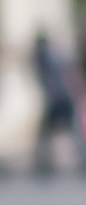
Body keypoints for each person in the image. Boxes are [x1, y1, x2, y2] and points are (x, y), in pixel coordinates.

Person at [32, 31, 86, 176]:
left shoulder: (45, 60)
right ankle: (44, 161)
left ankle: (44, 161)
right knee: (68, 130)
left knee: (61, 130)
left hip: (57, 98)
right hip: (61, 98)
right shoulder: (53, 58)